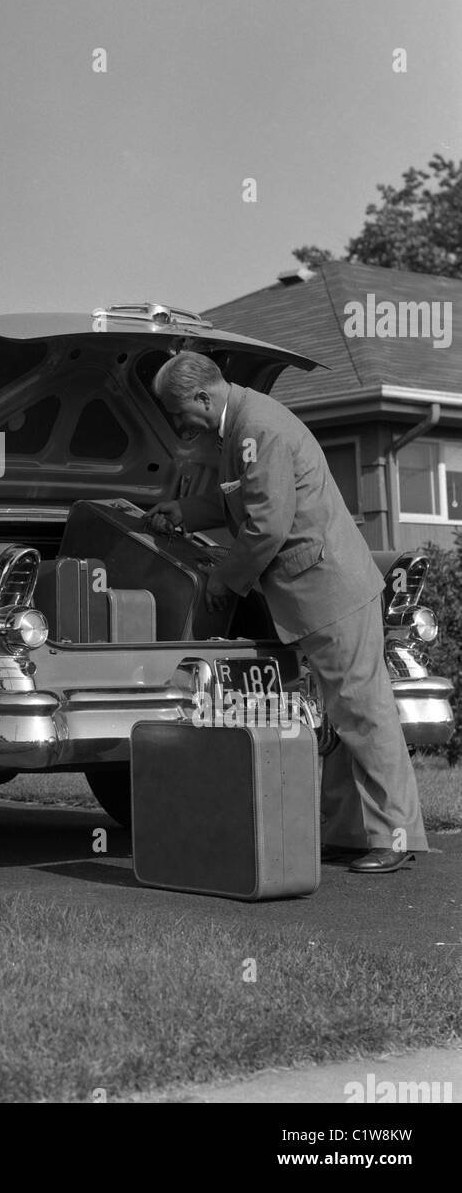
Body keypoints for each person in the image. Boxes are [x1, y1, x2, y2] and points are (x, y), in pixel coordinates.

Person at [145, 352, 427, 875]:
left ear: (204, 397)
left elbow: (266, 527)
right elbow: (243, 501)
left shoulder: (259, 428)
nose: (178, 424)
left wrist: (222, 582)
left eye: (179, 411)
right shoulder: (241, 427)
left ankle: (395, 834)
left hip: (330, 592)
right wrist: (187, 510)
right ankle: (353, 833)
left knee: (364, 715)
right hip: (319, 592)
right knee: (342, 720)